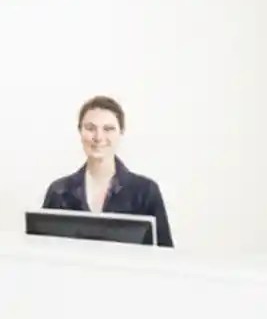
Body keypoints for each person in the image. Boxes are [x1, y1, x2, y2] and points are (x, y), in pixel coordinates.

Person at [42, 96, 174, 248]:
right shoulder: (59, 191)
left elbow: (165, 258)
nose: (98, 137)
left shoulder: (145, 192)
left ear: (121, 132)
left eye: (108, 129)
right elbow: (42, 255)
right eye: (90, 128)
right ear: (80, 131)